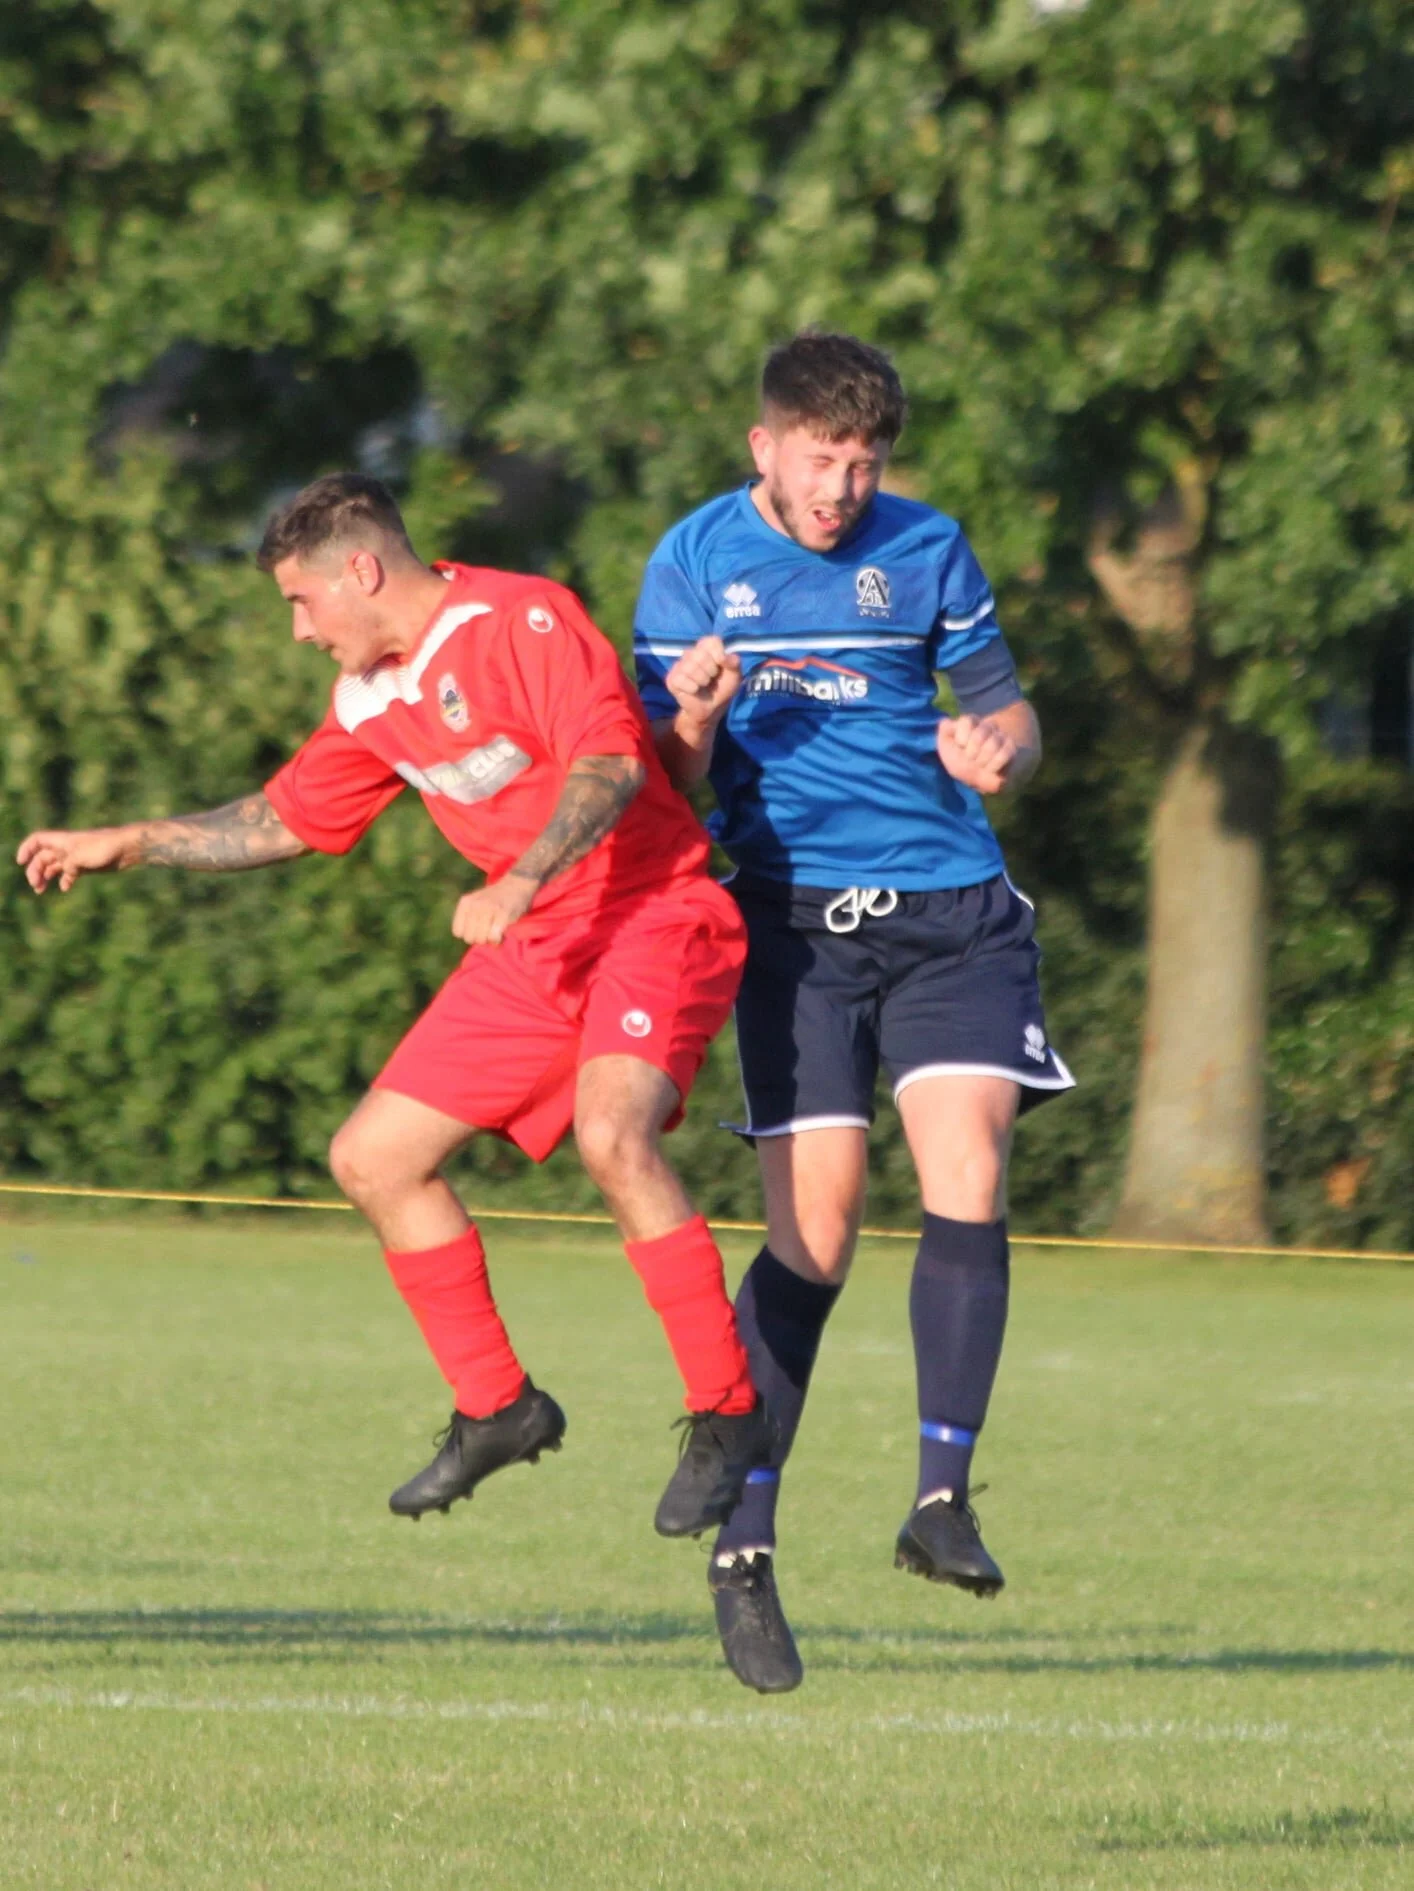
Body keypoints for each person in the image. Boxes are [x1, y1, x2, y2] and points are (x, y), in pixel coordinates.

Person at [18, 472, 772, 1541]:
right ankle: (498, 1406)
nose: (296, 630)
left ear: (361, 572)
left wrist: (516, 879)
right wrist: (129, 841)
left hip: (650, 915)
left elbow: (609, 763)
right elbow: (283, 817)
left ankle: (728, 1414)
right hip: (534, 947)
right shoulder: (370, 698)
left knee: (614, 1136)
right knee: (374, 1159)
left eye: (301, 601)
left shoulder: (522, 618)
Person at [633, 331, 1075, 1692]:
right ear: (763, 446)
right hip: (789, 925)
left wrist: (995, 750)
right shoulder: (691, 560)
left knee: (969, 1168)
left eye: (862, 460)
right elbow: (659, 768)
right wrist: (693, 721)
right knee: (814, 1235)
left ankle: (939, 1499)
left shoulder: (926, 546)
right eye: (819, 458)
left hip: (949, 909)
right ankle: (744, 1545)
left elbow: (1009, 712)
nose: (840, 486)